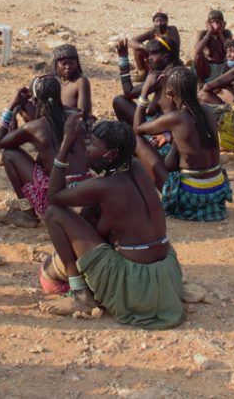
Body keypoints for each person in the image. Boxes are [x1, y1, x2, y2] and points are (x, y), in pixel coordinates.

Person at [40, 117, 184, 328]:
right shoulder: (135, 168)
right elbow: (108, 219)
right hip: (165, 273)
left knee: (54, 213)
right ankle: (81, 278)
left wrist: (65, 145)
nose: (86, 148)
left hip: (135, 282)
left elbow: (54, 197)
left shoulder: (105, 186)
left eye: (92, 145)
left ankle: (81, 294)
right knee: (91, 211)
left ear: (112, 155)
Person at [134, 66, 231, 222]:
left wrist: (145, 92)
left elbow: (137, 128)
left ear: (170, 94)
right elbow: (173, 162)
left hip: (194, 194)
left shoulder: (175, 118)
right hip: (217, 189)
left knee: (137, 140)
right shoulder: (206, 110)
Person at [0, 76, 76, 228]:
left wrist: (12, 106)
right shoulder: (77, 115)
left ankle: (26, 212)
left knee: (9, 154)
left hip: (54, 202)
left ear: (36, 102)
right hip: (84, 195)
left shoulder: (35, 128)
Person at [112, 38, 176, 125]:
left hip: (161, 130)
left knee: (119, 101)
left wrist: (123, 58)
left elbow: (129, 92)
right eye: (149, 54)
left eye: (153, 54)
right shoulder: (177, 71)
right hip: (173, 125)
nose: (148, 59)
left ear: (166, 57)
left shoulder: (161, 77)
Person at [129, 11, 181, 81]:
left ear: (167, 22)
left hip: (169, 60)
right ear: (153, 23)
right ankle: (142, 74)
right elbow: (132, 41)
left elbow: (175, 46)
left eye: (162, 21)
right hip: (155, 60)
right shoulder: (152, 32)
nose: (159, 23)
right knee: (138, 50)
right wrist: (145, 47)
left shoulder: (172, 29)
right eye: (157, 21)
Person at [52, 43, 93, 117]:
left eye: (71, 63)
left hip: (73, 125)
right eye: (64, 64)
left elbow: (83, 113)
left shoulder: (80, 81)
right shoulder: (53, 81)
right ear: (56, 64)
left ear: (77, 64)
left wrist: (59, 107)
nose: (68, 67)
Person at [193, 10, 233, 84]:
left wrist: (220, 33)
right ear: (208, 23)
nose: (215, 25)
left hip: (222, 66)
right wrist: (209, 33)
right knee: (197, 56)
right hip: (206, 67)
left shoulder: (226, 33)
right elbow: (197, 50)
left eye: (218, 22)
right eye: (213, 22)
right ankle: (200, 81)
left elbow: (230, 50)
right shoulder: (203, 33)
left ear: (223, 23)